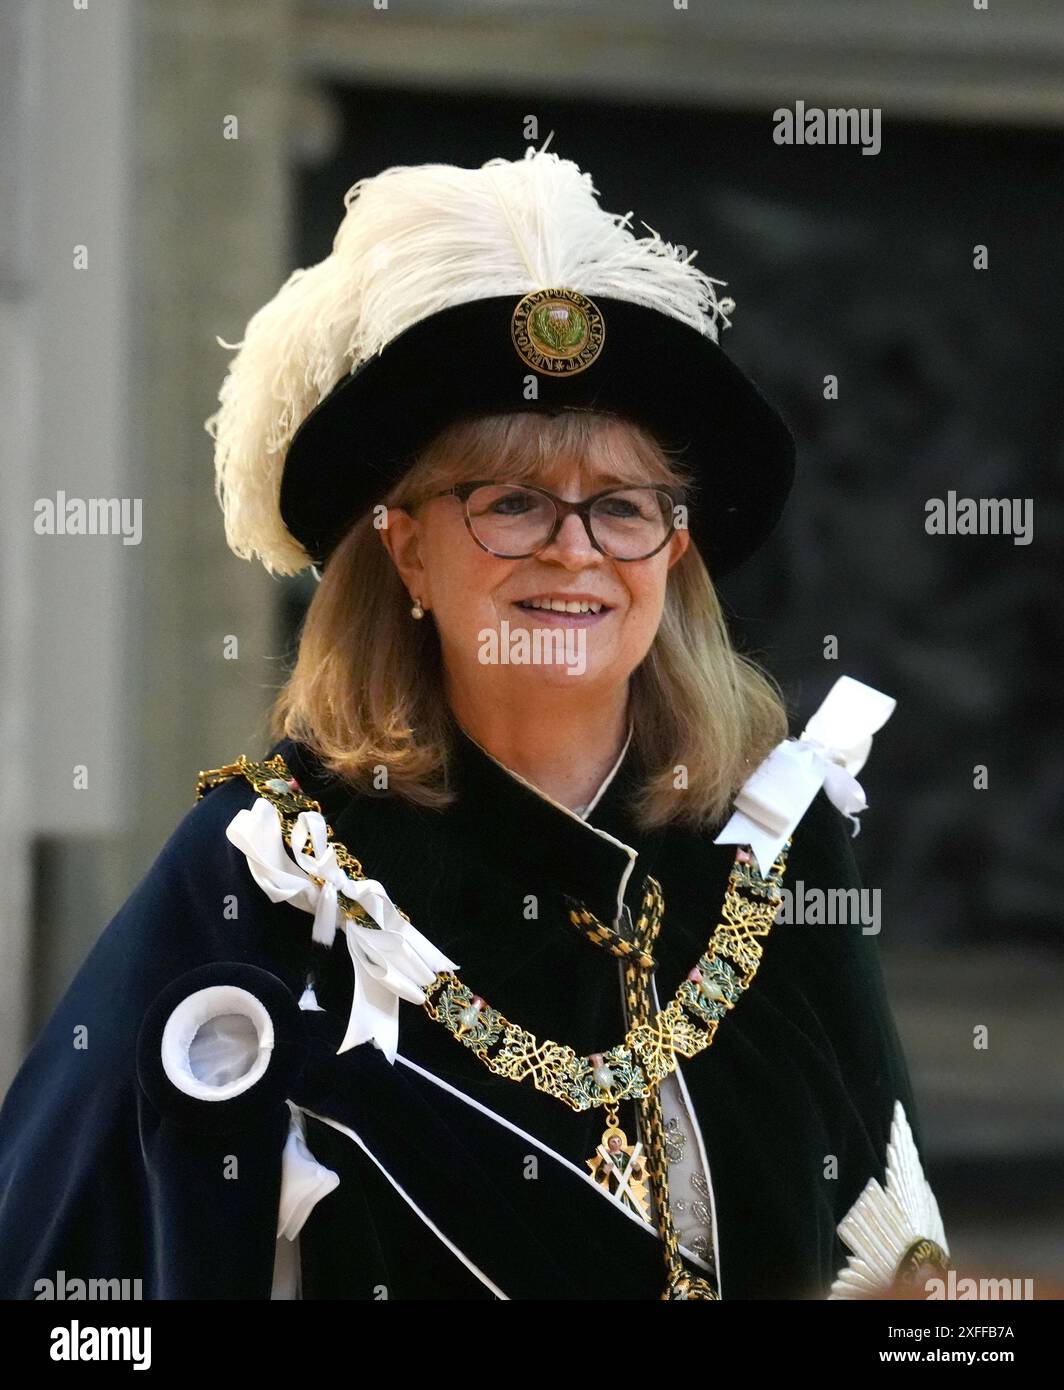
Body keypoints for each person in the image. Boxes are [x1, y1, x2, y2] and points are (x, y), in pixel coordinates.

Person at [0, 141, 950, 1301]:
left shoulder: (777, 843)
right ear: (403, 545)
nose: (574, 550)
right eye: (508, 501)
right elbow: (64, 1274)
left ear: (675, 549)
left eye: (620, 506)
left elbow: (899, 1267)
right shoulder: (270, 867)